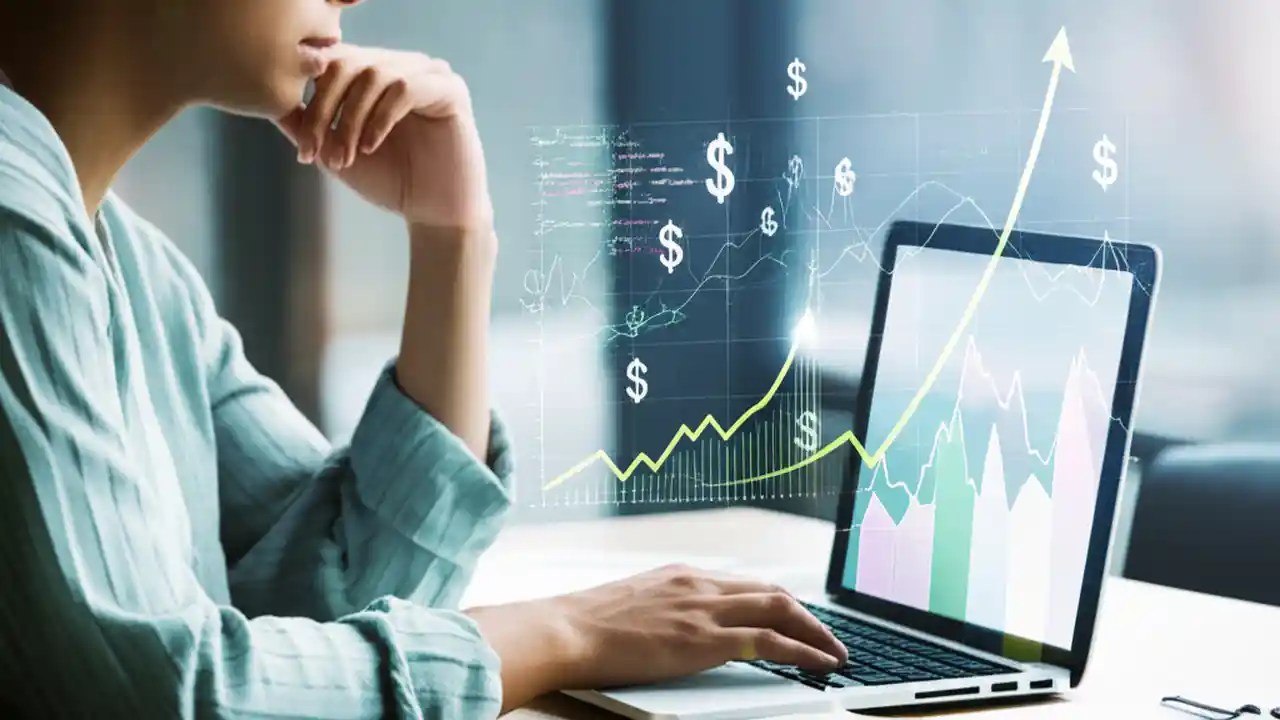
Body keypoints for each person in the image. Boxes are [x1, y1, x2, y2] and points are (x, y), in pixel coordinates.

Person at [0, 2, 848, 717]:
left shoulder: (131, 265)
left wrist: (451, 233)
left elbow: (336, 593)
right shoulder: (12, 224)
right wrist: (569, 634)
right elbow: (166, 692)